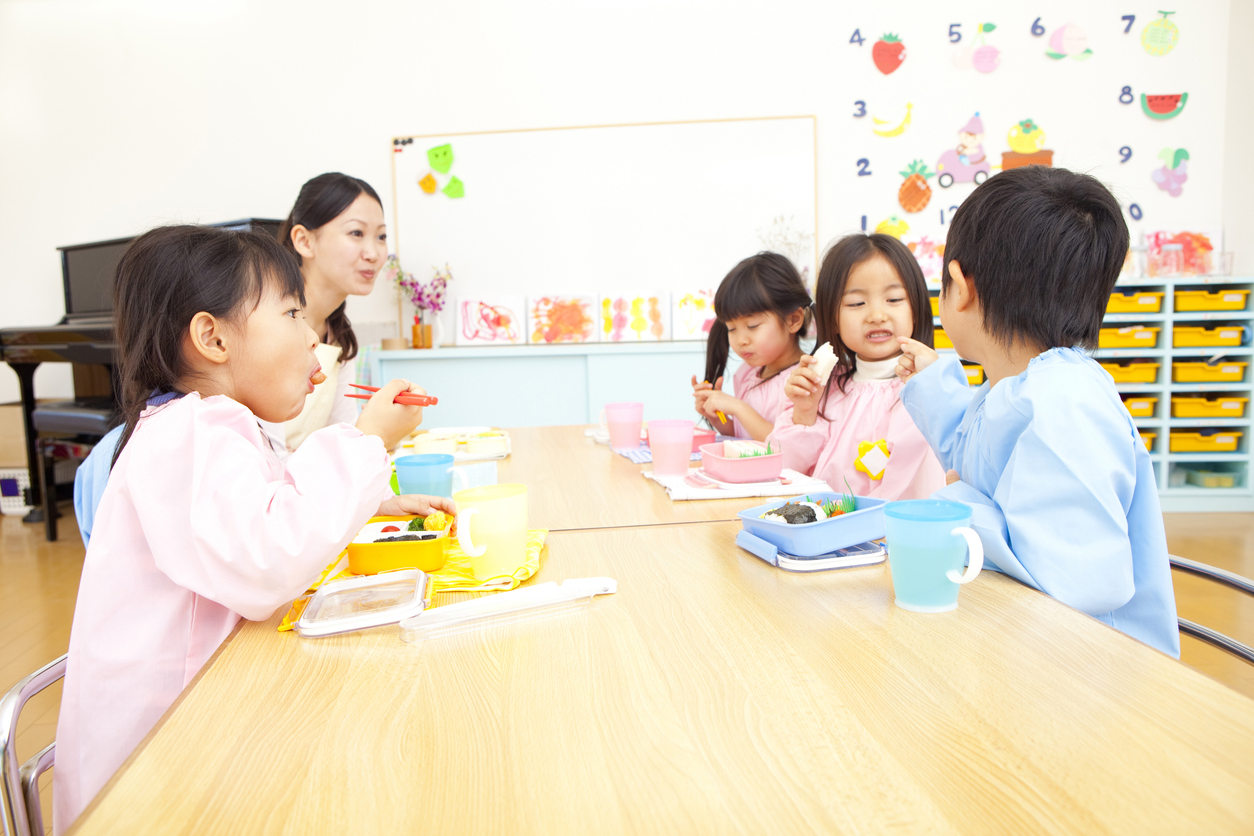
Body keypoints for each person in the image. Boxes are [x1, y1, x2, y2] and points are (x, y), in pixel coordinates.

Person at [53, 225, 454, 833]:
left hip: (207, 717)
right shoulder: (187, 434)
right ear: (211, 337)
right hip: (161, 762)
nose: (311, 333)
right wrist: (367, 442)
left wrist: (372, 502)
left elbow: (263, 504)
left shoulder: (212, 426)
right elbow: (267, 558)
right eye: (291, 313)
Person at [894, 166, 1179, 657]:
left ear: (960, 286)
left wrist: (960, 503)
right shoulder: (1021, 385)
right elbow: (975, 449)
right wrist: (931, 384)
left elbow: (1075, 584)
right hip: (1025, 646)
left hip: (1095, 672)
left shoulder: (1066, 401)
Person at [769, 234, 944, 499]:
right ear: (833, 319)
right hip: (828, 532)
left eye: (894, 299)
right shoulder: (826, 390)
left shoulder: (929, 390)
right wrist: (804, 412)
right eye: (856, 304)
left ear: (916, 308)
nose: (876, 315)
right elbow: (783, 470)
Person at [278, 172, 389, 450]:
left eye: (381, 236)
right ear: (304, 241)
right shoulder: (268, 325)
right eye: (356, 233)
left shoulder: (339, 339)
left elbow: (342, 439)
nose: (373, 253)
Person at [690, 252, 810, 441]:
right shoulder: (747, 374)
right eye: (731, 329)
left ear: (793, 320)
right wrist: (718, 417)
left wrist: (737, 406)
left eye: (752, 326)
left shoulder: (804, 381)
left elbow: (786, 447)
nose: (741, 340)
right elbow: (746, 439)